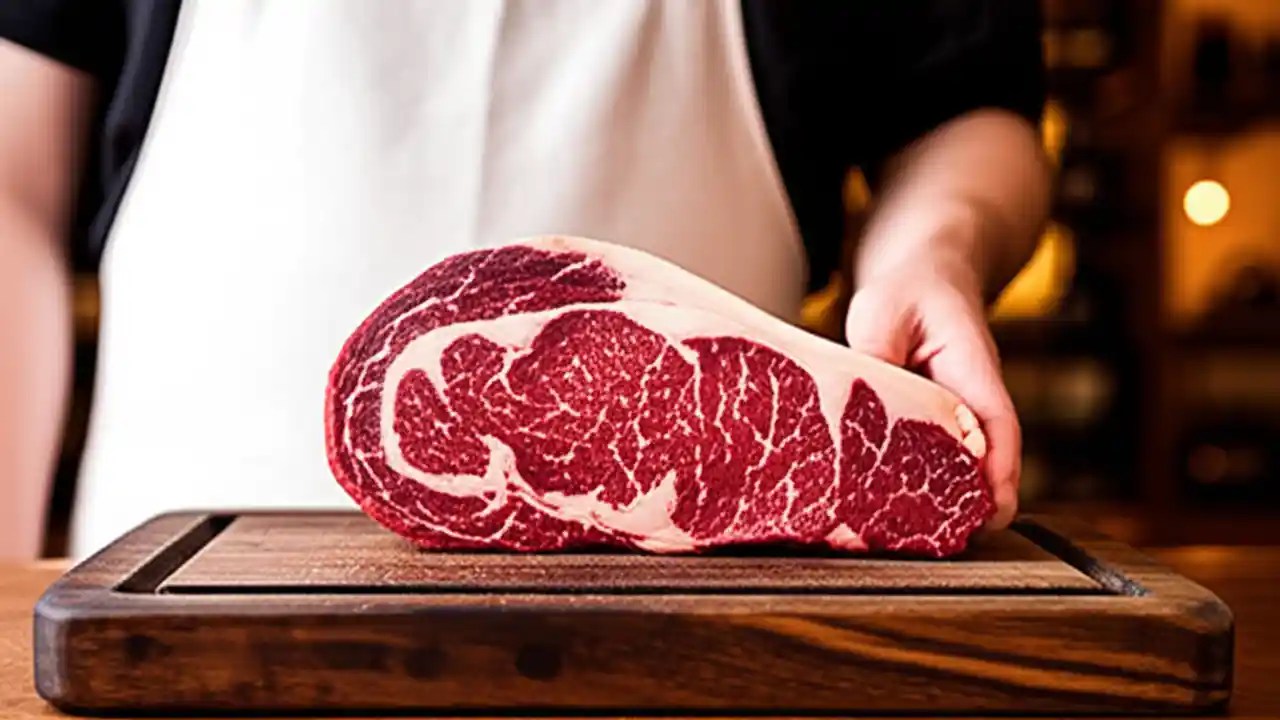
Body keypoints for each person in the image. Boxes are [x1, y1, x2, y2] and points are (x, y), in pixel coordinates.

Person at [0, 1, 1049, 560]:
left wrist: (933, 249)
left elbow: (957, 106)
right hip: (170, 584)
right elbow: (10, 189)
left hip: (700, 603)